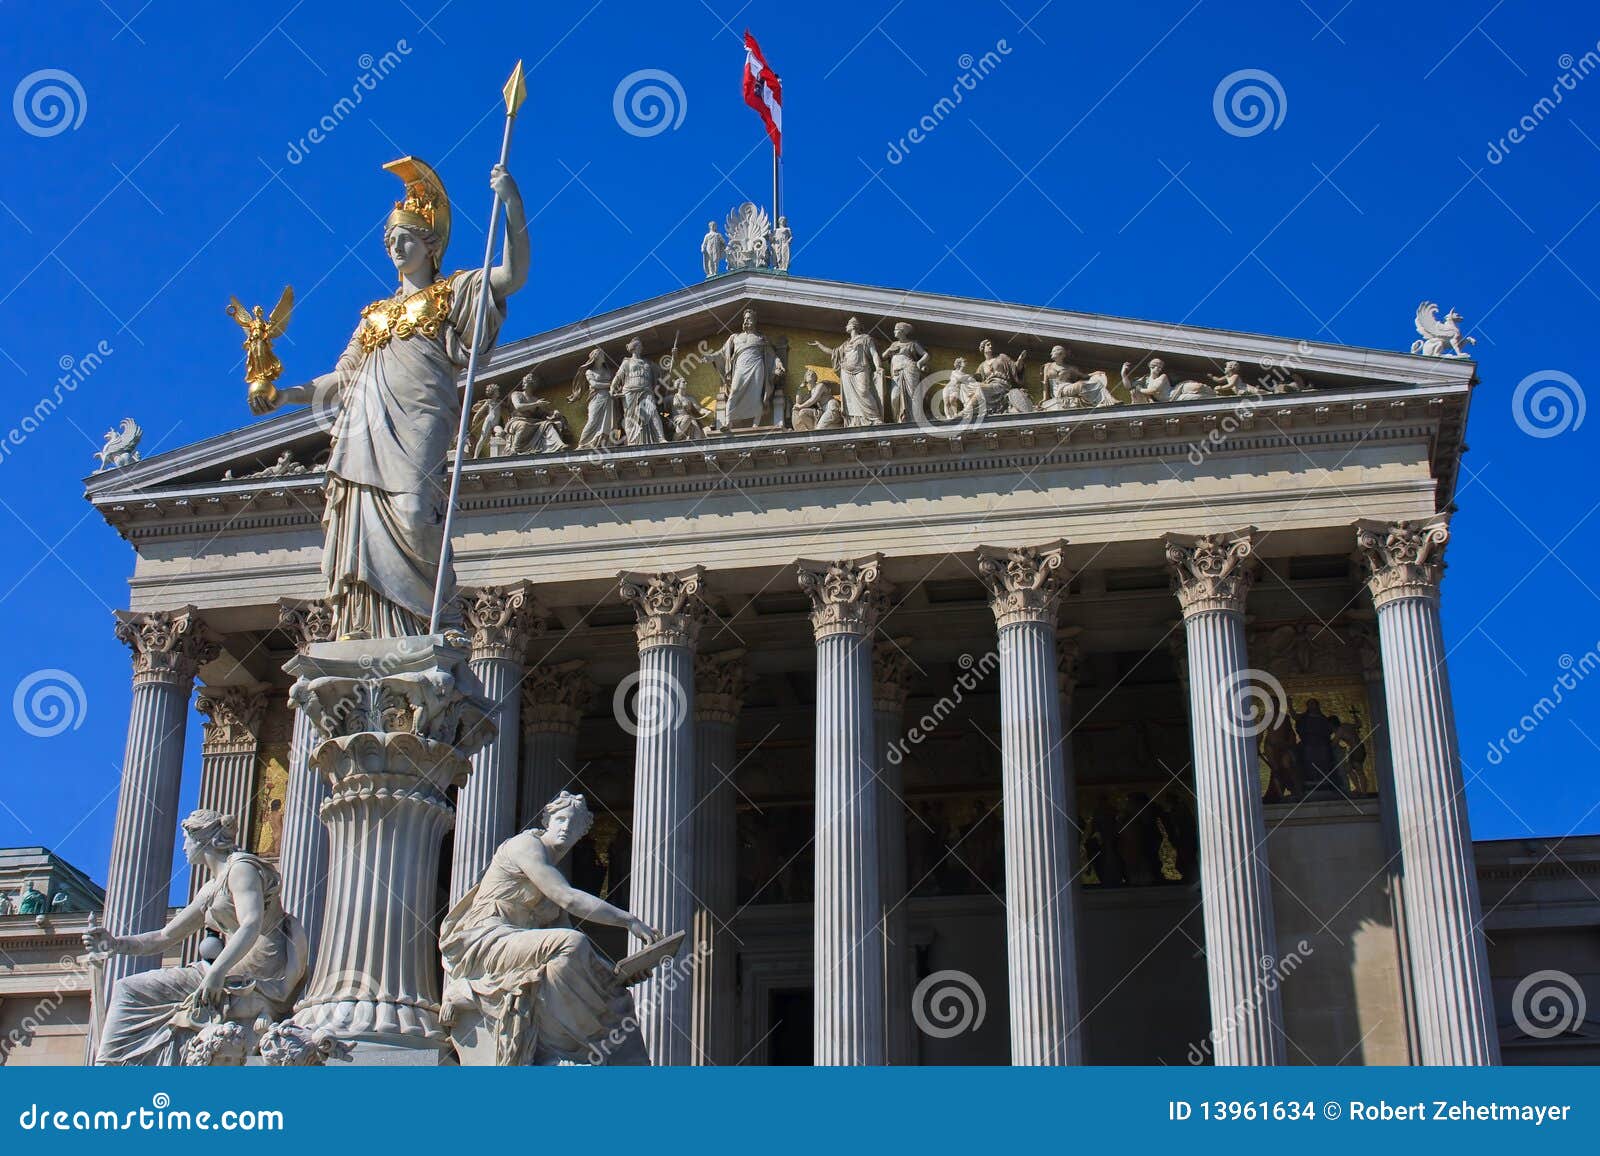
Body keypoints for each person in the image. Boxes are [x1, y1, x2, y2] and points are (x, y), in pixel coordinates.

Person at [246, 157, 529, 639]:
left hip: (418, 424)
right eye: (390, 242)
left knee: (417, 514)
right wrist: (286, 394)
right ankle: (368, 632)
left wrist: (512, 204)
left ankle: (431, 625)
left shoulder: (452, 294)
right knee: (362, 529)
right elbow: (340, 379)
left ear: (430, 245)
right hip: (364, 434)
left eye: (406, 239)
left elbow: (511, 274)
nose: (396, 247)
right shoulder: (374, 316)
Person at [439, 792, 660, 1065]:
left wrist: (616, 976)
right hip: (488, 939)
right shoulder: (525, 846)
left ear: (582, 833)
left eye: (575, 823)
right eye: (560, 819)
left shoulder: (551, 876)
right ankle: (559, 1047)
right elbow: (568, 900)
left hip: (519, 944)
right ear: (547, 820)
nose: (566, 826)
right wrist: (628, 920)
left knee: (616, 995)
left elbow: (580, 954)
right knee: (570, 943)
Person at [84, 810, 308, 1065]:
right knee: (127, 988)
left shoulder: (241, 868)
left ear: (205, 839)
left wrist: (216, 973)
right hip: (230, 967)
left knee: (129, 990)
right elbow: (164, 936)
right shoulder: (210, 889)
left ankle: (108, 1066)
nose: (183, 847)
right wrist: (115, 944)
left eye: (187, 839)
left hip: (259, 968)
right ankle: (117, 1063)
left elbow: (251, 923)